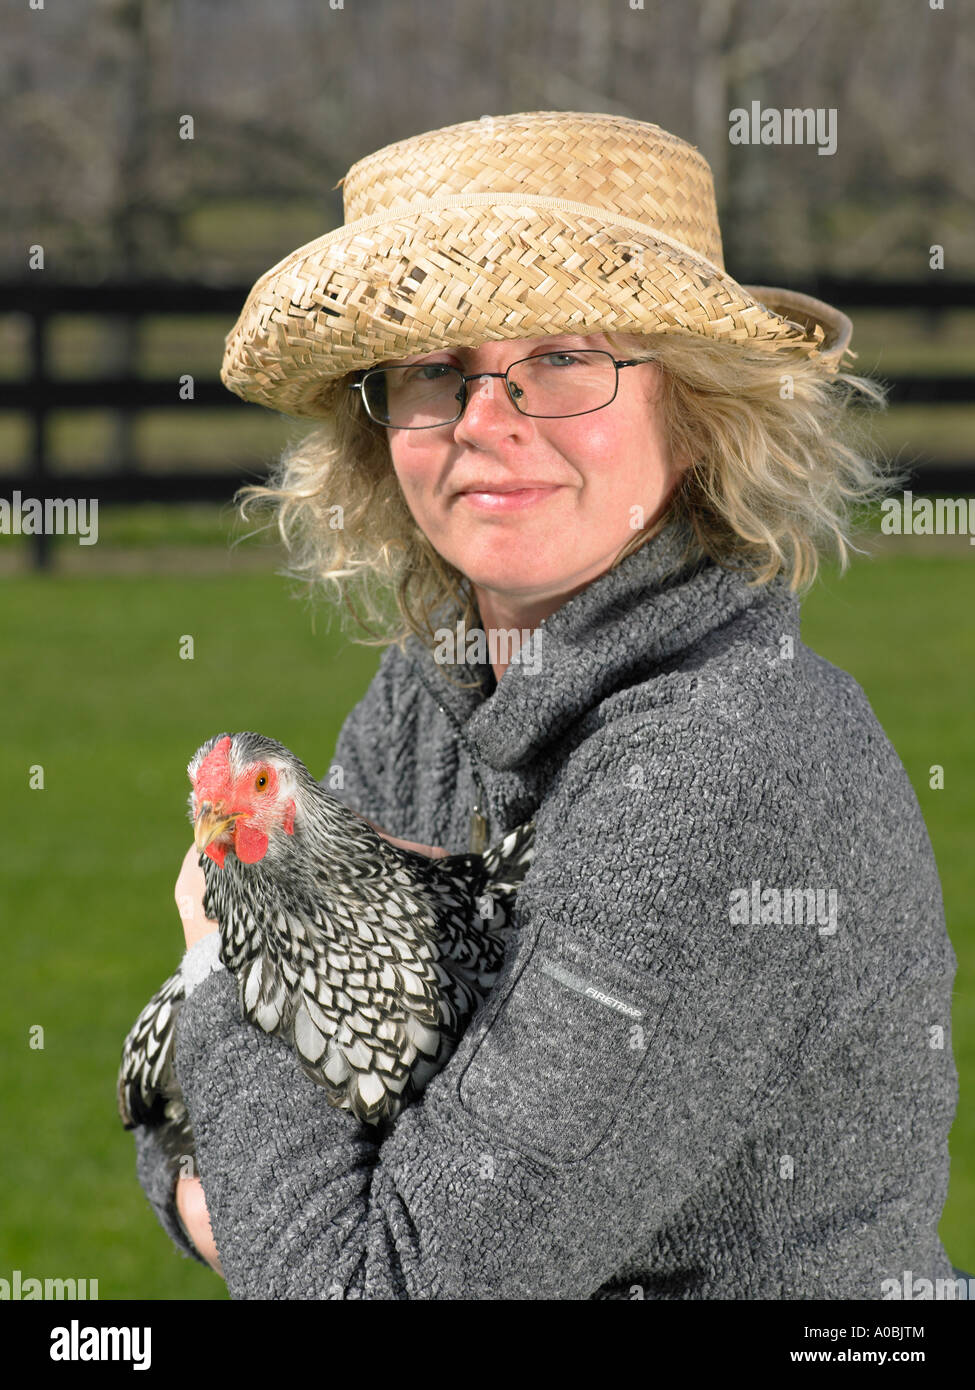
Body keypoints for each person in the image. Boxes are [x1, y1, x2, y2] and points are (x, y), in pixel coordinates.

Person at [131, 110, 960, 1299]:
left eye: (563, 358)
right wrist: (274, 1192)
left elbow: (372, 1287)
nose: (484, 420)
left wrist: (222, 958)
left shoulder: (723, 768)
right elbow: (186, 1141)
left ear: (696, 403)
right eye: (435, 369)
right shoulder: (434, 692)